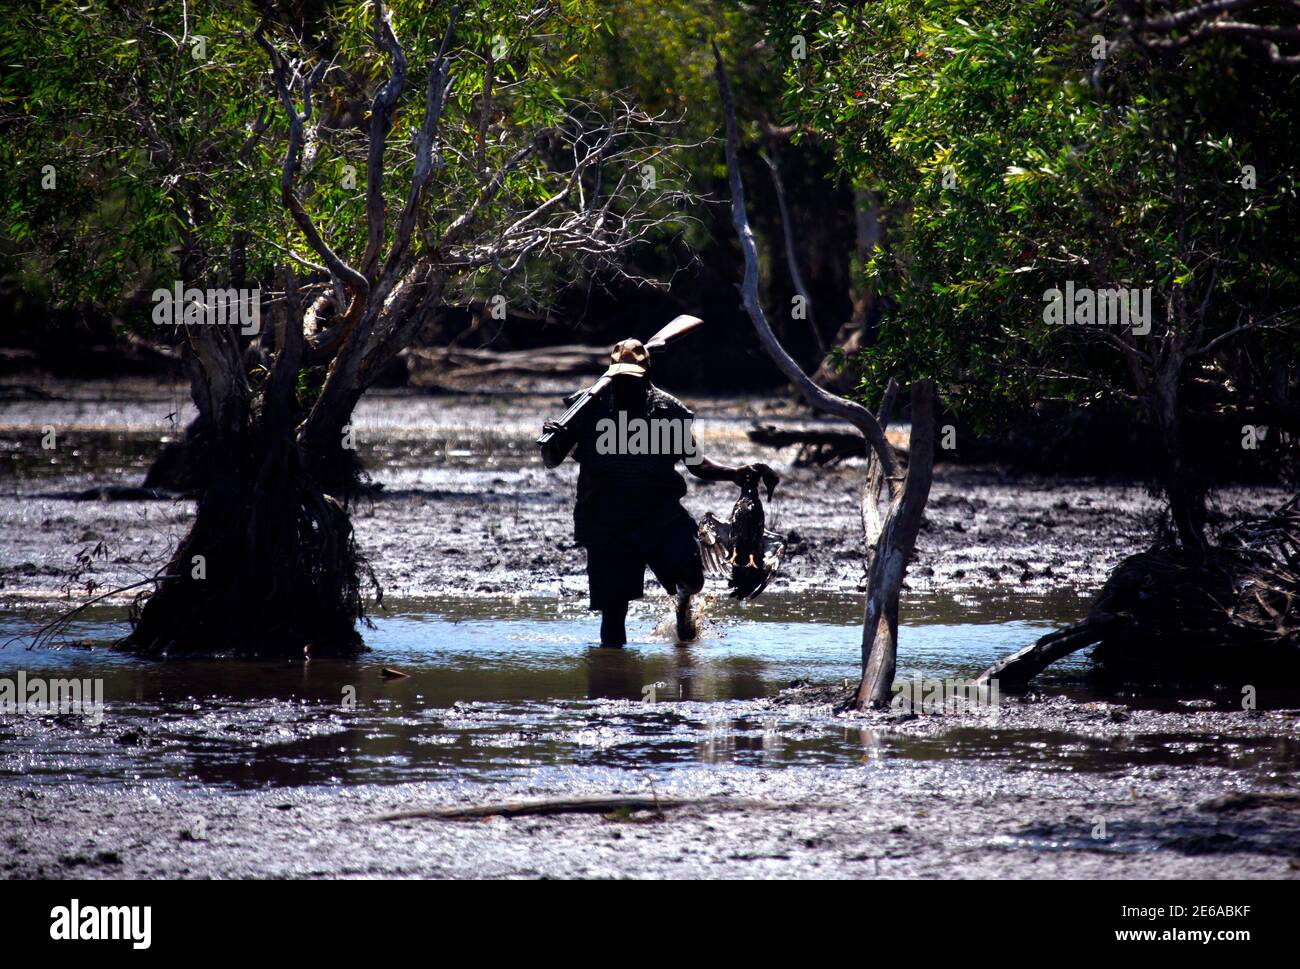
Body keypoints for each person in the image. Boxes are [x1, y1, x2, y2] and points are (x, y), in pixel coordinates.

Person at [541, 338, 764, 646]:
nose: (624, 388)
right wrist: (554, 440)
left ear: (646, 378)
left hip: (661, 515)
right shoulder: (586, 408)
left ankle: (683, 607)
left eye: (631, 381)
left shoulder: (668, 410)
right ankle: (614, 690)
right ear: (610, 375)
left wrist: (733, 473)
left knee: (692, 580)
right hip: (606, 521)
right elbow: (552, 461)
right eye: (619, 380)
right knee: (613, 618)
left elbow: (696, 464)